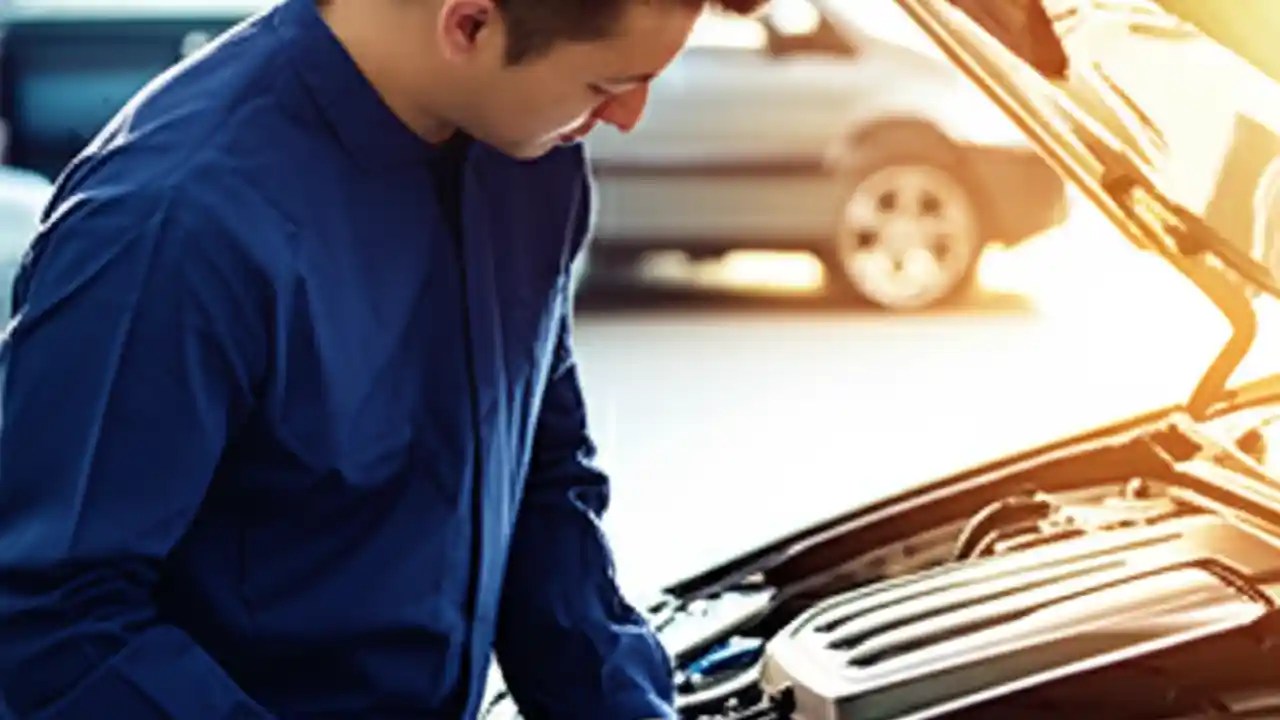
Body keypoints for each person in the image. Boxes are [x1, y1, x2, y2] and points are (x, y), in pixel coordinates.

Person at [0, 0, 767, 717]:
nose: (627, 118)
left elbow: (543, 481)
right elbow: (52, 624)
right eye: (610, 83)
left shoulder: (528, 160)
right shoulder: (173, 224)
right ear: (468, 24)